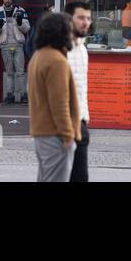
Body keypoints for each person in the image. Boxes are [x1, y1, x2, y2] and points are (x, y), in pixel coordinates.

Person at [27, 10, 79, 182]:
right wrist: (67, 134)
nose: (72, 35)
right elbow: (59, 103)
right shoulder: (56, 61)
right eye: (70, 30)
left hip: (42, 133)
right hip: (55, 135)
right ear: (61, 33)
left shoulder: (38, 56)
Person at [64, 0, 93, 182]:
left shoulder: (82, 48)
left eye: (88, 18)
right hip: (64, 124)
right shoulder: (60, 49)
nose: (86, 22)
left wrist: (84, 120)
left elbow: (81, 89)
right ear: (69, 19)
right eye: (80, 17)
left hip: (80, 121)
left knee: (79, 176)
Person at [0, 0, 31, 104]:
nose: (7, 0)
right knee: (9, 72)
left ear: (13, 0)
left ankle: (23, 95)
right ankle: (9, 95)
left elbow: (27, 29)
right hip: (5, 45)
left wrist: (20, 22)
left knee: (20, 71)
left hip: (18, 44)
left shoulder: (20, 11)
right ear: (2, 0)